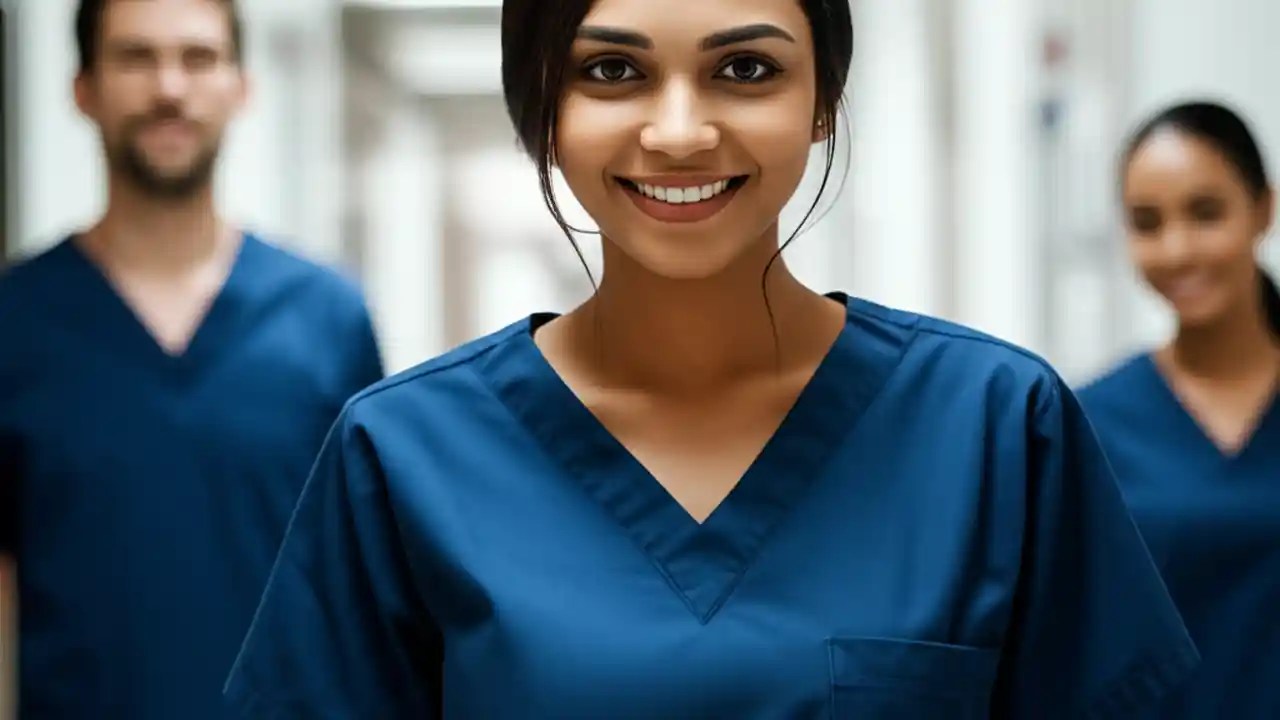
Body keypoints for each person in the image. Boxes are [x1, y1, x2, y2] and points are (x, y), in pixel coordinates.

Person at [224, 0, 1198, 716]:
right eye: (611, 71)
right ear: (541, 112)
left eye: (743, 70)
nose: (680, 132)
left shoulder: (992, 428)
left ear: (822, 101)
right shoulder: (402, 458)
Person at [0, 0, 383, 717]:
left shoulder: (329, 319)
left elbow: (364, 592)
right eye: (136, 57)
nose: (170, 87)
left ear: (242, 87)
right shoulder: (15, 324)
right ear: (82, 88)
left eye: (199, 58)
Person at [1077, 101, 1280, 718]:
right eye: (1146, 222)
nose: (1177, 248)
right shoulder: (1092, 423)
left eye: (1206, 213)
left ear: (1263, 210)